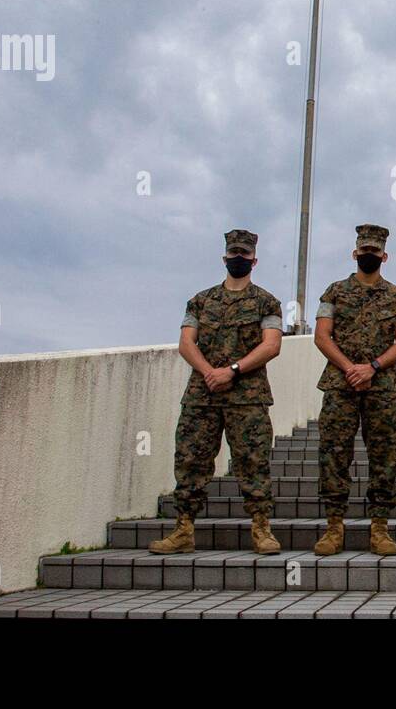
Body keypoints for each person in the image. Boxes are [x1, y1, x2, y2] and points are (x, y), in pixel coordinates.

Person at [148, 229, 284, 555]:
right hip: (202, 395)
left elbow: (272, 345)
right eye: (234, 254)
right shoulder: (200, 300)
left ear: (255, 260)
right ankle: (183, 530)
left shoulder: (267, 302)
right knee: (191, 460)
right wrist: (210, 372)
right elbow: (186, 343)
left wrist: (232, 371)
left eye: (245, 255)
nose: (239, 259)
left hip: (247, 396)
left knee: (253, 462)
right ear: (225, 258)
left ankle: (261, 530)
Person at [311, 224, 396, 556]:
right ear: (355, 254)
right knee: (334, 454)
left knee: (384, 456)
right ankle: (333, 527)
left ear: (385, 256)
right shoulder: (334, 292)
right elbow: (322, 336)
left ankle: (380, 528)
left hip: (381, 386)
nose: (369, 256)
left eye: (375, 251)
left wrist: (372, 367)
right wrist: (350, 369)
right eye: (364, 251)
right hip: (340, 385)